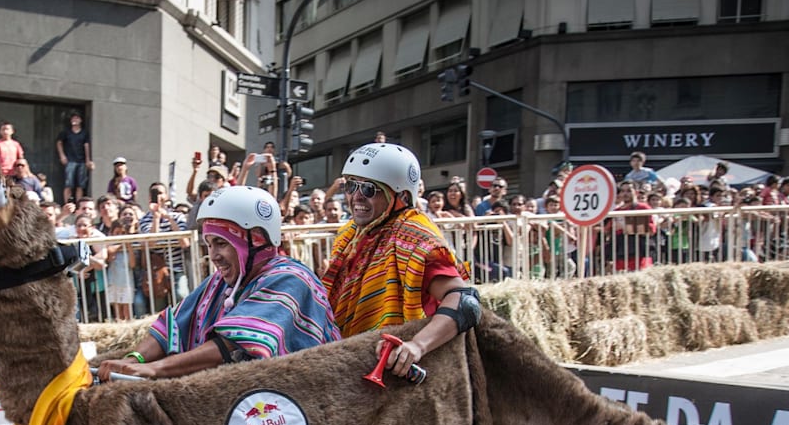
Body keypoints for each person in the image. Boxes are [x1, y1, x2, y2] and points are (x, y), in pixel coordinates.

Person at [97, 186, 339, 380]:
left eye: (222, 243)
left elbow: (233, 344)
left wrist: (155, 369)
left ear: (256, 239)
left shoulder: (290, 279)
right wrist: (134, 360)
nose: (213, 255)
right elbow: (173, 323)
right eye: (209, 244)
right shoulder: (222, 281)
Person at [320, 142, 477, 381]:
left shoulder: (414, 235)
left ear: (401, 196)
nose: (356, 196)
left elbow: (465, 301)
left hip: (398, 371)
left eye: (370, 189)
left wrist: (417, 346)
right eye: (352, 186)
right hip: (353, 359)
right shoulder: (350, 233)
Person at [56, 110, 93, 204]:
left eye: (76, 118)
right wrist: (62, 155)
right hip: (70, 160)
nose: (74, 120)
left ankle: (78, 205)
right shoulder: (66, 132)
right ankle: (67, 204)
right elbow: (59, 142)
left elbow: (86, 146)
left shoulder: (84, 133)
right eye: (72, 118)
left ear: (80, 120)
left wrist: (87, 160)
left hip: (81, 161)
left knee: (80, 185)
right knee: (68, 184)